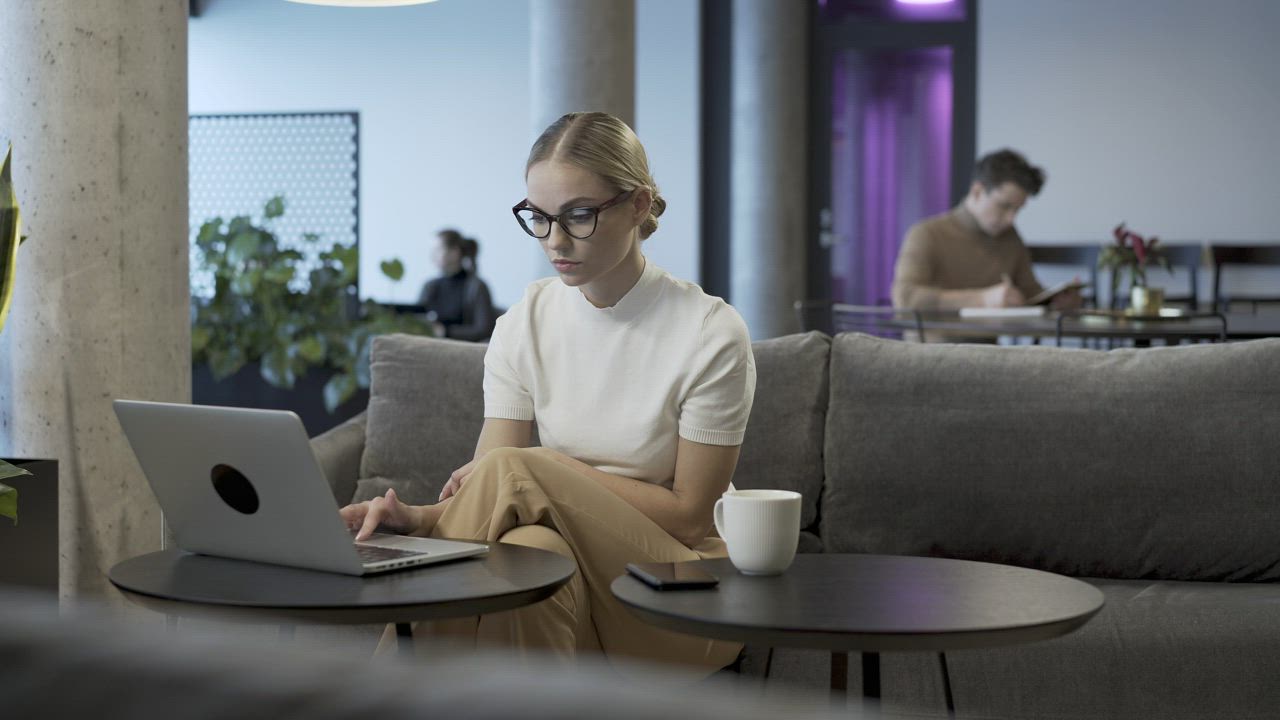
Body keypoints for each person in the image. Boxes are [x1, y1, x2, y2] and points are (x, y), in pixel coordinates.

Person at [340, 112, 755, 677]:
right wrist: (419, 517)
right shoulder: (524, 322)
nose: (554, 240)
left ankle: (379, 693)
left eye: (579, 215)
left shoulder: (710, 330)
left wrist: (545, 467)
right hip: (574, 571)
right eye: (539, 217)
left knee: (521, 476)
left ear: (638, 204)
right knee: (534, 550)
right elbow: (492, 490)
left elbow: (688, 518)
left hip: (681, 590)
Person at [891, 149, 1082, 311]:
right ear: (977, 191)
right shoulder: (927, 234)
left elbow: (1029, 293)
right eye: (1004, 206)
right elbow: (904, 297)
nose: (1011, 218)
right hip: (931, 344)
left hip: (990, 344)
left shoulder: (1010, 238)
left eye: (1017, 210)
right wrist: (981, 299)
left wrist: (1055, 301)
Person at [416, 229, 497, 341]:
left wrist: (445, 331)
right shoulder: (429, 286)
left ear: (455, 252)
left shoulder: (476, 287)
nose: (432, 255)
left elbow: (484, 330)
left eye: (437, 250)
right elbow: (417, 320)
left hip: (464, 348)